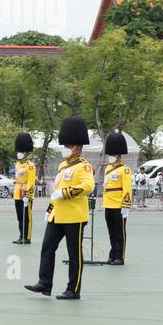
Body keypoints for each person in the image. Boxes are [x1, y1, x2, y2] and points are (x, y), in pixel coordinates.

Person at [25, 116, 94, 300]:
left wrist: (66, 193)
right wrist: (49, 210)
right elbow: (56, 191)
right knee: (47, 248)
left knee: (74, 254)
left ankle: (73, 289)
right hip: (57, 214)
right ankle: (45, 283)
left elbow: (88, 187)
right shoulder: (64, 165)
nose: (66, 149)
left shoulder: (84, 167)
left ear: (77, 147)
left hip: (74, 216)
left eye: (69, 145)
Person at [101, 130, 132, 265]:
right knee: (112, 233)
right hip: (108, 204)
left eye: (113, 154)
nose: (111, 156)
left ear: (118, 155)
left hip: (119, 205)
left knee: (120, 233)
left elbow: (127, 188)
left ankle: (119, 256)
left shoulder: (124, 169)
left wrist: (126, 205)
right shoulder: (108, 168)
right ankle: (112, 254)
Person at [13, 132, 36, 244]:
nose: (19, 154)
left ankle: (27, 237)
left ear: (26, 153)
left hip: (26, 194)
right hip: (17, 193)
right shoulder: (17, 164)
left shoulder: (30, 166)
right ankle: (21, 235)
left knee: (27, 217)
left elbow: (31, 182)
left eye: (21, 152)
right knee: (20, 217)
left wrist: (28, 195)